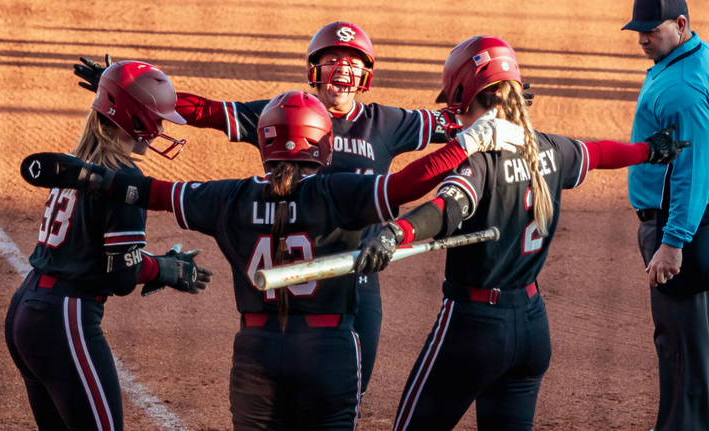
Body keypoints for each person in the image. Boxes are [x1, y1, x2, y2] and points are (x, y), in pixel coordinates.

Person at [71, 22, 535, 397]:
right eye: (332, 60)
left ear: (366, 74)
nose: (341, 70)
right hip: (283, 285)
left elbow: (458, 119)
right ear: (314, 68)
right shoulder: (283, 112)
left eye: (352, 63)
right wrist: (135, 94)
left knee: (345, 393)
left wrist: (494, 95)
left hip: (355, 278)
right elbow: (210, 111)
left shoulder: (388, 122)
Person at [19, 89, 527, 429]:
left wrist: (95, 178)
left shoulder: (228, 198)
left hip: (255, 352)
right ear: (322, 142)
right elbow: (408, 183)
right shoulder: (340, 194)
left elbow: (151, 192)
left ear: (264, 141)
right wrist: (467, 142)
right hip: (329, 352)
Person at [355, 35, 688, 431]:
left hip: (473, 330)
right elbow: (599, 153)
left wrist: (396, 232)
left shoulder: (481, 162)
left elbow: (444, 211)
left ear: (463, 93)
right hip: (532, 328)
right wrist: (649, 151)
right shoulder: (551, 149)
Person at [5, 60, 212, 431]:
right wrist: (163, 268)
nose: (161, 127)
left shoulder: (73, 163)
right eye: (156, 118)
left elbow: (93, 253)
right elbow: (121, 278)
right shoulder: (124, 180)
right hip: (64, 320)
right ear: (136, 120)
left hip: (26, 308)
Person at [622, 0, 709, 429]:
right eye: (637, 30)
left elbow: (692, 169)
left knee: (681, 345)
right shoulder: (695, 55)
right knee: (696, 342)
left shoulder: (682, 88)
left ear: (680, 24)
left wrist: (672, 243)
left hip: (678, 225)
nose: (642, 38)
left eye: (650, 31)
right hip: (695, 220)